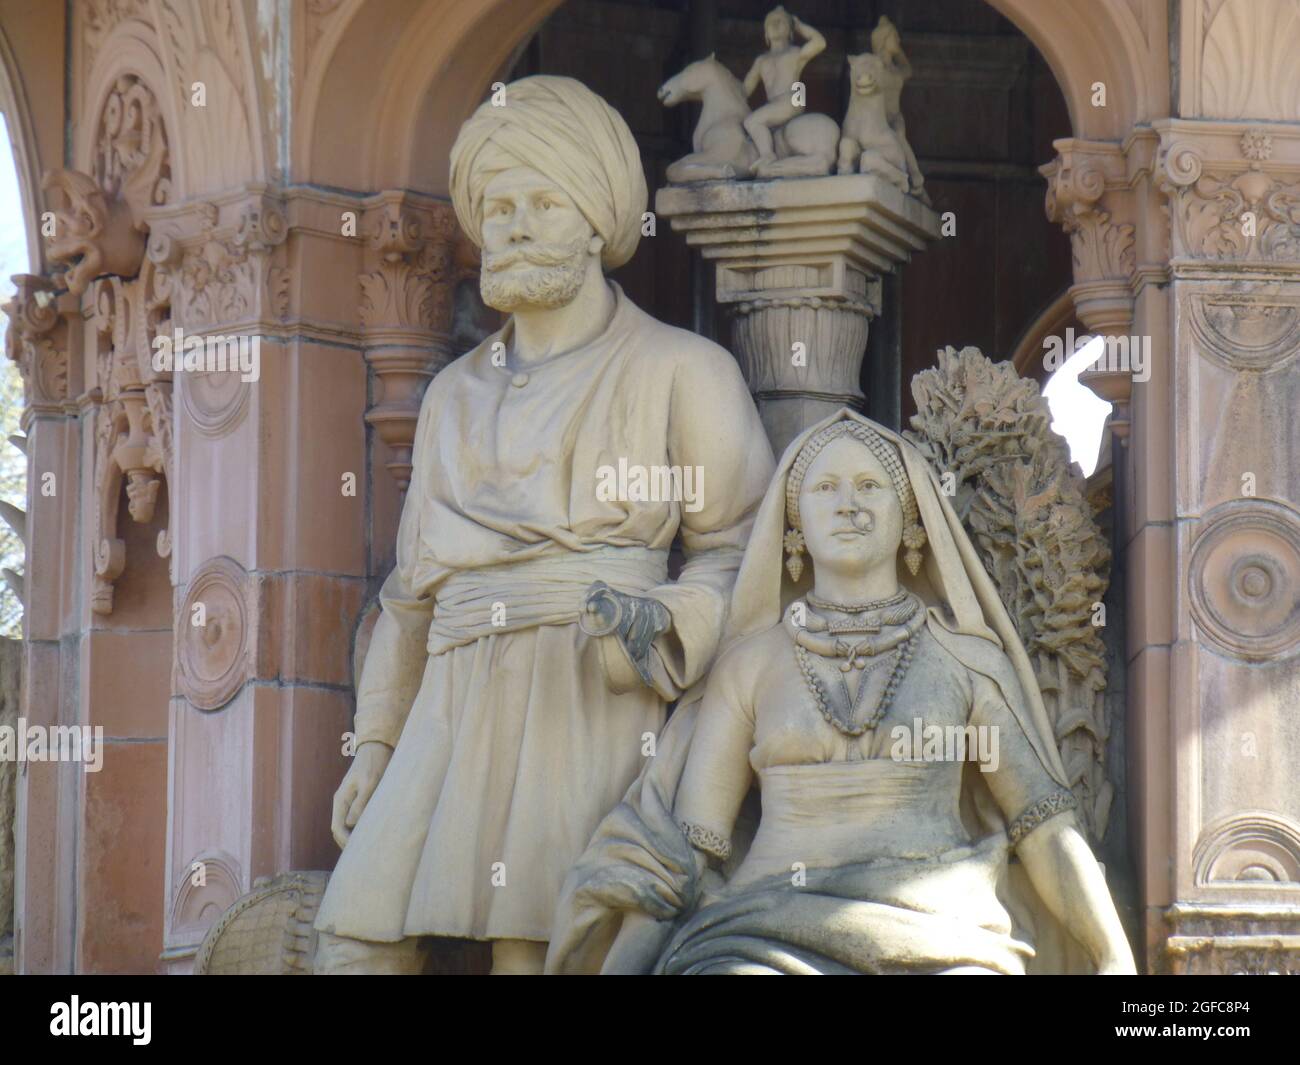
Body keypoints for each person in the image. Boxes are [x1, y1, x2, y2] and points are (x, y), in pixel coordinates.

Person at [312, 76, 774, 974]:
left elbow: (741, 552)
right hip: (452, 696)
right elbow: (410, 599)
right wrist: (373, 746)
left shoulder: (683, 370)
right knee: (352, 940)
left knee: (542, 949)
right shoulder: (451, 396)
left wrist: (663, 624)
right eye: (499, 205)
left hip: (590, 689)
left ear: (598, 220)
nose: (516, 224)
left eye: (544, 202)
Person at [547, 409, 1135, 975]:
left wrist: (1113, 956)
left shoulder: (967, 659)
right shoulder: (748, 666)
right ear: (794, 524)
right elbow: (689, 852)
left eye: (870, 486)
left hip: (943, 930)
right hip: (763, 931)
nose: (848, 505)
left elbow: (1042, 823)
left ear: (911, 520)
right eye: (825, 488)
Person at [742, 7, 827, 169]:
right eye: (770, 22)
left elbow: (820, 43)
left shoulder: (795, 53)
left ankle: (767, 155)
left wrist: (801, 27)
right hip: (773, 106)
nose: (774, 24)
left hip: (792, 99)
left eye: (780, 21)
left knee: (751, 121)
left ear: (790, 30)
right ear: (765, 32)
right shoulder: (761, 60)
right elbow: (744, 90)